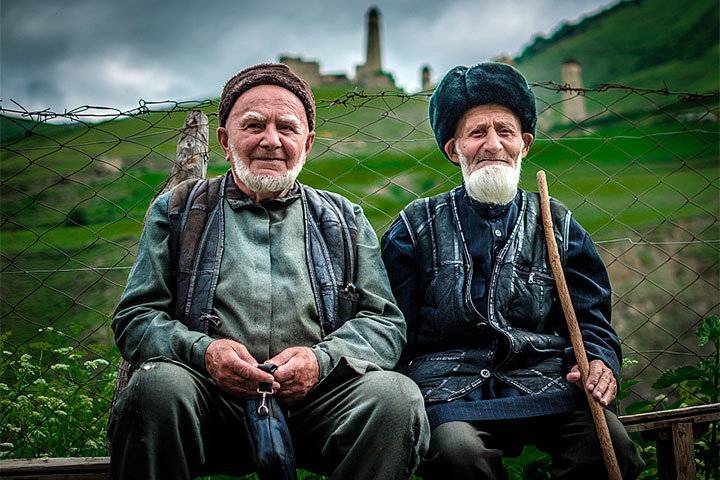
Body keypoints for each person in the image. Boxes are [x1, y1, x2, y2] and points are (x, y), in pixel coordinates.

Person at [108, 63, 429, 480]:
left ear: (308, 143)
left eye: (287, 128)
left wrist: (321, 360)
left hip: (319, 404)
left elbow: (384, 322)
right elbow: (136, 317)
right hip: (208, 400)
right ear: (225, 140)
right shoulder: (178, 211)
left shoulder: (345, 218)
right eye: (254, 125)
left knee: (396, 397)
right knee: (156, 387)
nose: (271, 141)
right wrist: (203, 353)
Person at [381, 62, 644, 479]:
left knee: (611, 447)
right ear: (454, 150)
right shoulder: (414, 227)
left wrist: (599, 359)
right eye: (476, 133)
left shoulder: (556, 222)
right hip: (447, 391)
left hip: (544, 382)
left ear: (524, 144)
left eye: (505, 132)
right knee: (460, 457)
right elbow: (393, 327)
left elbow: (591, 316)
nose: (492, 145)